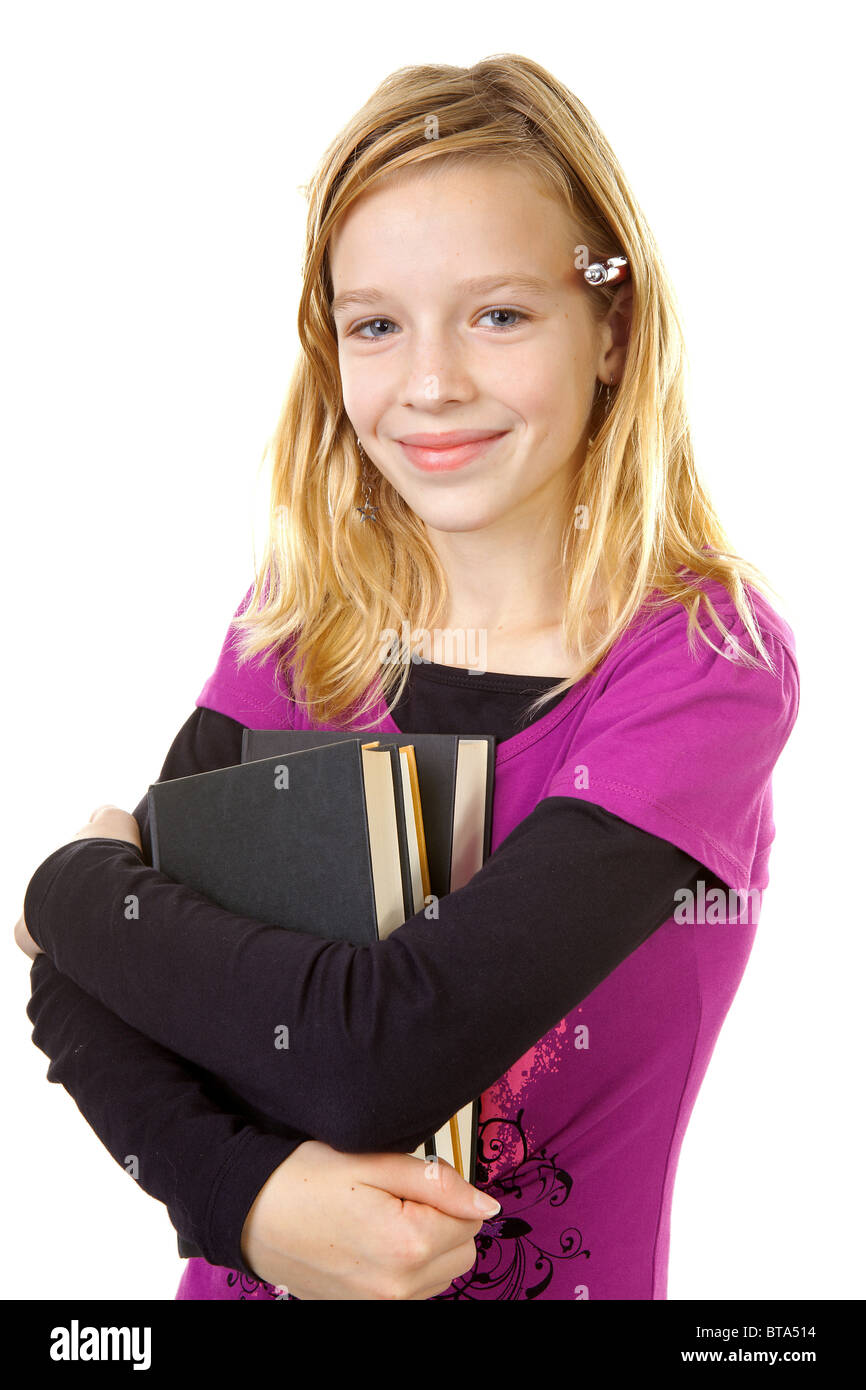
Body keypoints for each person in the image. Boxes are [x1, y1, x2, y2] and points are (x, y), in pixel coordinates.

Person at [16, 54, 799, 1301]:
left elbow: (380, 1052)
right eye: (376, 323)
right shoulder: (294, 628)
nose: (430, 382)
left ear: (611, 328)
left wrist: (67, 882)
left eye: (497, 313)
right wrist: (246, 1204)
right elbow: (90, 1002)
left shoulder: (700, 660)